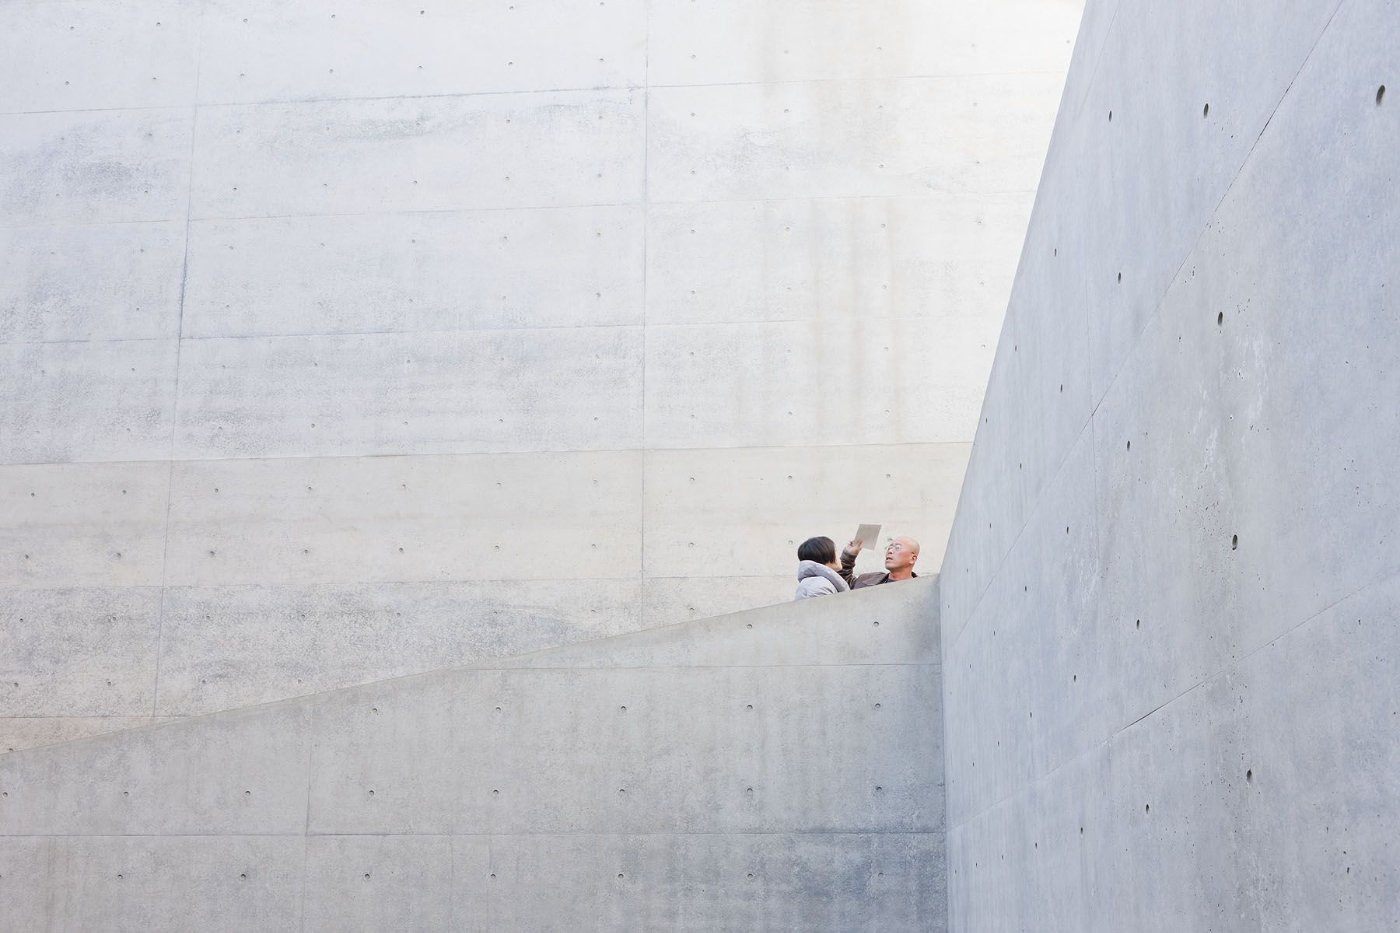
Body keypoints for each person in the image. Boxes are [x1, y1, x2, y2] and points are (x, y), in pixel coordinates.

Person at [840, 536, 920, 589]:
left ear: (912, 559)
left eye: (897, 548)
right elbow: (842, 583)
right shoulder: (866, 580)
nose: (890, 551)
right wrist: (848, 555)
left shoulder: (922, 588)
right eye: (889, 548)